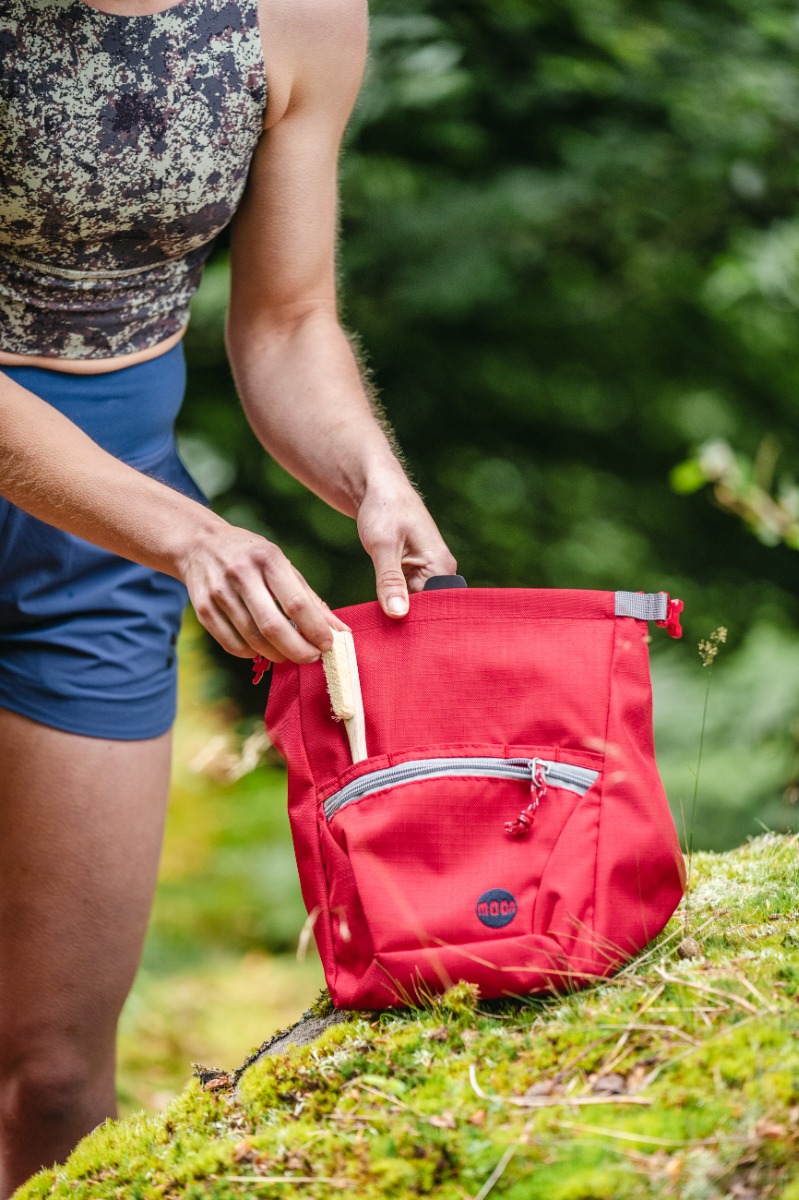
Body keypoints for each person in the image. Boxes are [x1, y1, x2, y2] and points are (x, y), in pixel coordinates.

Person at [0, 0, 456, 1190]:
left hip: (99, 553)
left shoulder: (300, 14)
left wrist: (374, 479)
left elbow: (288, 318)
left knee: (48, 1072)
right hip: (147, 526)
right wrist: (186, 535)